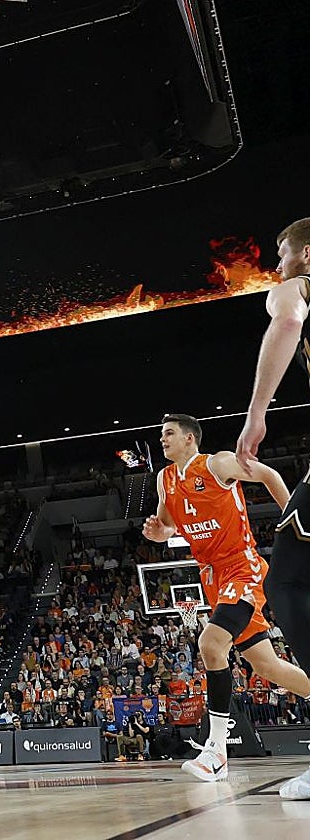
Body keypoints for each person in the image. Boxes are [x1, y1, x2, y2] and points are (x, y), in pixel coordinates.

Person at [143, 413, 310, 782]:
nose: (162, 440)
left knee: (212, 643)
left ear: (190, 439)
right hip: (212, 577)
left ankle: (216, 751)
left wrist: (294, 526)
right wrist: (159, 532)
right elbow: (168, 523)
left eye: (169, 433)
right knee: (268, 667)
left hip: (242, 567)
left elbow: (270, 475)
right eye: (161, 435)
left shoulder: (216, 463)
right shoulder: (164, 479)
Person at [236, 216, 310, 799]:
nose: (277, 265)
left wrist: (259, 409)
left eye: (281, 253)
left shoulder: (298, 285)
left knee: (288, 582)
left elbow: (286, 319)